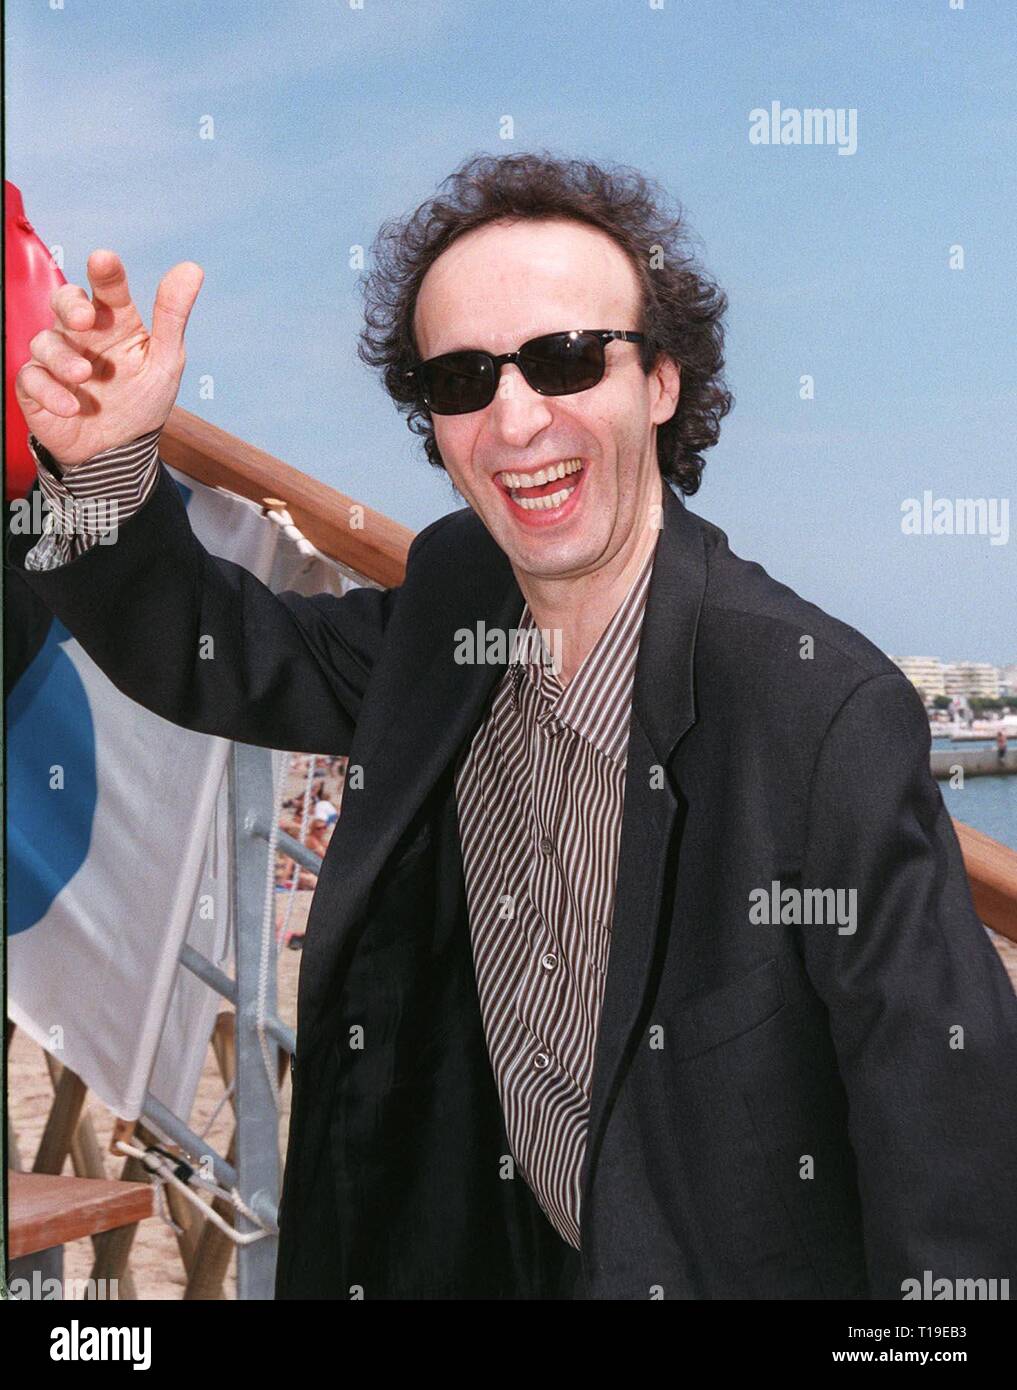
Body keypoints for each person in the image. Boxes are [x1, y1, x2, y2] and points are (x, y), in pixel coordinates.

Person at [8, 152, 1017, 1301]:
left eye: (568, 359)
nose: (517, 417)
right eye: (462, 378)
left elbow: (956, 1179)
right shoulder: (455, 600)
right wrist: (101, 470)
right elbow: (225, 656)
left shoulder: (819, 714)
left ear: (663, 384)